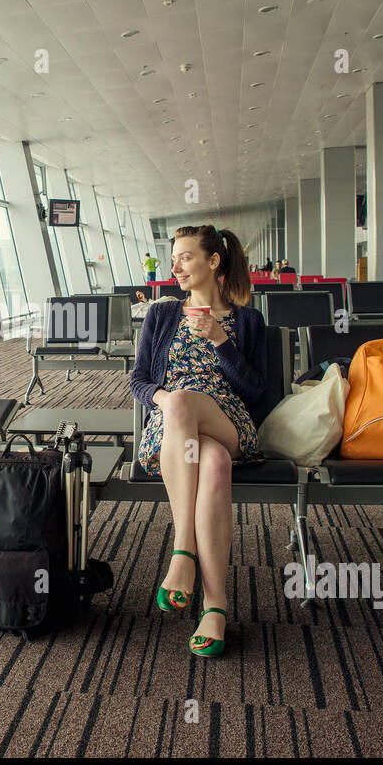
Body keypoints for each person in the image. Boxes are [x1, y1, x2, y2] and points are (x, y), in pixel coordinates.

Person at [129, 224, 267, 658]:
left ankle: (182, 550)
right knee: (215, 464)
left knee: (185, 403)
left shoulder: (247, 320)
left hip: (227, 419)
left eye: (185, 257)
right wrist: (167, 401)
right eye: (173, 259)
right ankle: (215, 609)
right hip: (175, 430)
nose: (176, 267)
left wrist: (219, 340)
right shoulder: (162, 315)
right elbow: (139, 380)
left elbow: (257, 391)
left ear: (213, 261)